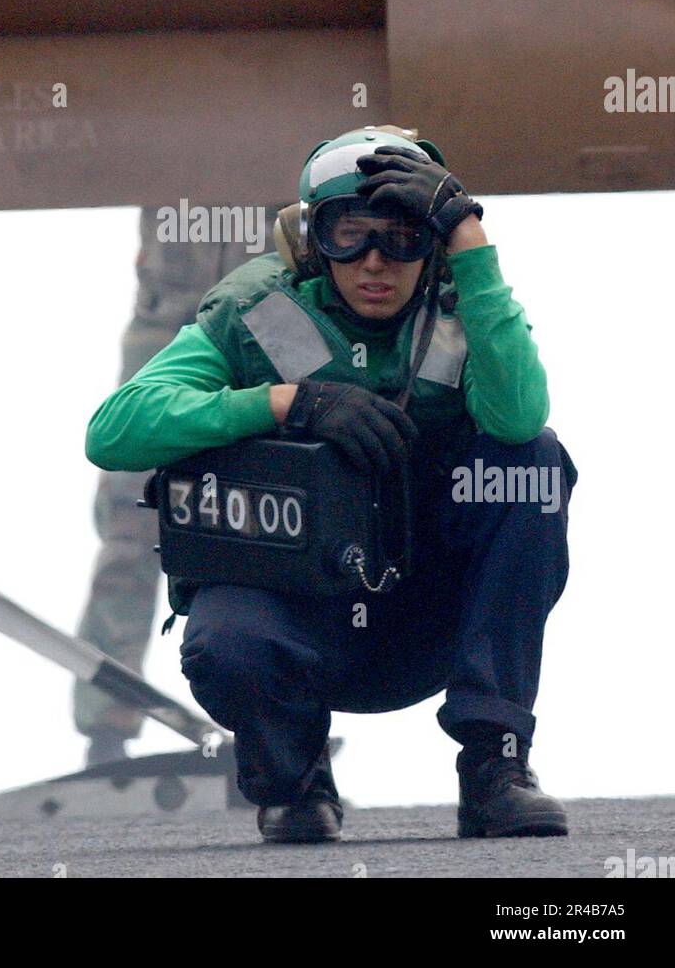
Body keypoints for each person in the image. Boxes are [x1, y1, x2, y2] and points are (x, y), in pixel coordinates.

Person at [85, 126, 576, 841]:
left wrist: (470, 244)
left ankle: (495, 765)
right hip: (299, 624)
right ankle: (293, 777)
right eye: (351, 236)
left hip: (425, 620)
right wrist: (283, 403)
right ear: (315, 241)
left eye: (401, 238)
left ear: (431, 246)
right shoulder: (258, 312)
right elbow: (116, 430)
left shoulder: (465, 307)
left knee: (530, 465)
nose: (375, 263)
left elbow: (521, 416)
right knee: (227, 643)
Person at [73, 205, 279, 767]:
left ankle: (280, 716)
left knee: (282, 520)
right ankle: (108, 720)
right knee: (130, 527)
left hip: (274, 330)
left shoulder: (287, 129)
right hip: (168, 330)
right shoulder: (162, 126)